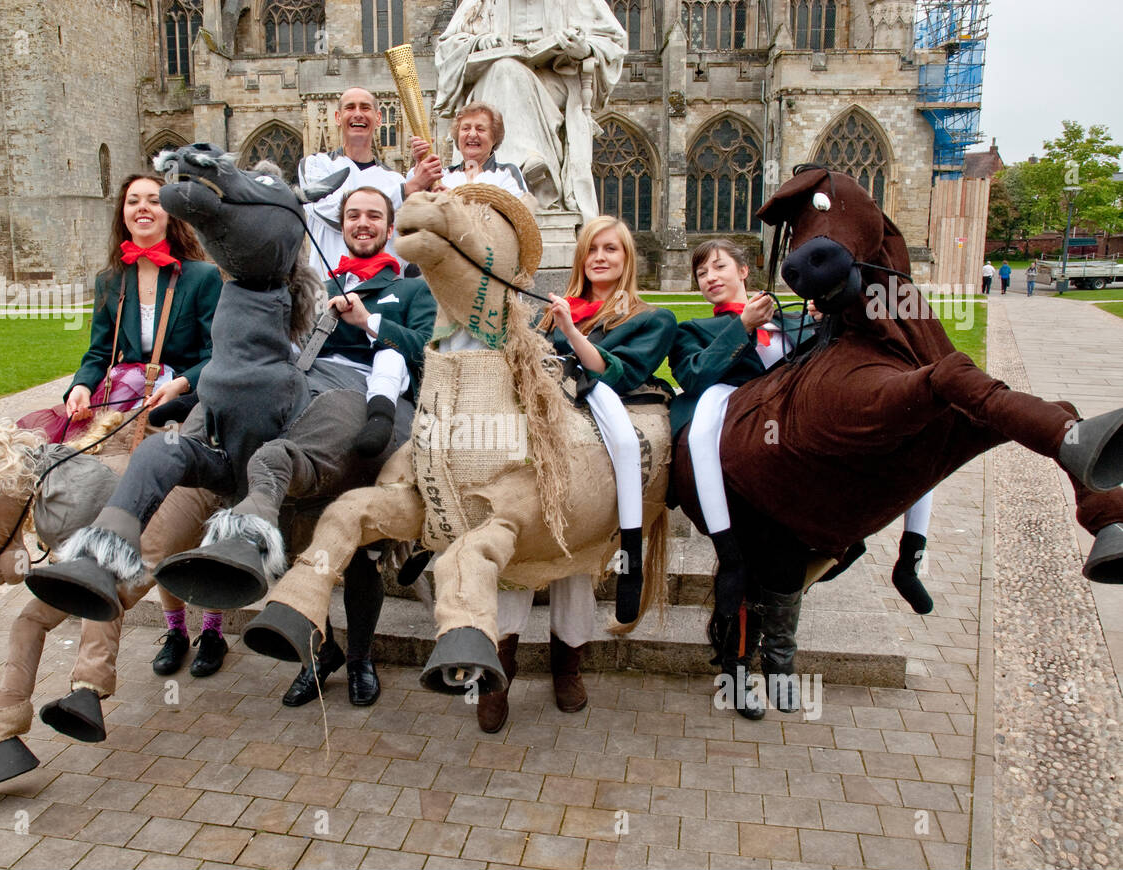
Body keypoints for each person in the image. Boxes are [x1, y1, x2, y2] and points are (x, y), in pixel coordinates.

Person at [668, 239, 934, 718]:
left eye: (719, 266)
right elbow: (696, 376)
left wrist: (826, 321)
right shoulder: (695, 329)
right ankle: (739, 669)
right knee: (751, 564)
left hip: (796, 461)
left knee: (797, 561)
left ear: (744, 270)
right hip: (739, 462)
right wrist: (740, 328)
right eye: (701, 271)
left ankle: (778, 660)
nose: (710, 276)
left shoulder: (793, 321)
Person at [477, 216, 676, 734]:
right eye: (592, 250)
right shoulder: (550, 313)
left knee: (572, 548)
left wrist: (567, 330)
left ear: (627, 259)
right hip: (538, 427)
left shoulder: (651, 317)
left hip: (593, 423)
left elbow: (618, 373)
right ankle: (499, 670)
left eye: (611, 249)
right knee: (520, 537)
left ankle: (569, 666)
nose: (601, 258)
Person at [63, 172, 230, 679]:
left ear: (169, 213)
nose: (143, 208)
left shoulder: (202, 276)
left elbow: (218, 354)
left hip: (186, 410)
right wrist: (81, 385)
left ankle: (215, 632)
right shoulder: (110, 280)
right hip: (130, 411)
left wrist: (181, 386)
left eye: (154, 201)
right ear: (123, 213)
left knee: (189, 523)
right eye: (133, 201)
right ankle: (176, 628)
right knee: (141, 520)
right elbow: (97, 351)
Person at [279, 185, 437, 708]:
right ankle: (320, 653)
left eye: (374, 215)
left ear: (389, 227)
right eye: (353, 215)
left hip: (384, 415)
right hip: (315, 412)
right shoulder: (318, 286)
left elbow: (424, 351)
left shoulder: (413, 289)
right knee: (299, 536)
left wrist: (368, 322)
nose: (363, 223)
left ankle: (362, 656)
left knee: (361, 547)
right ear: (341, 225)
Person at [433, 0, 626, 219]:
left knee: (507, 71)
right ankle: (527, 166)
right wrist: (479, 43)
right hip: (494, 77)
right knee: (506, 68)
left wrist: (584, 48)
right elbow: (446, 48)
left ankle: (511, 175)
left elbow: (614, 42)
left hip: (554, 80)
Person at [298, 87, 442, 278]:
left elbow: (407, 242)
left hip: (383, 294)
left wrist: (423, 187)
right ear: (338, 117)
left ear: (378, 118)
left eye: (365, 108)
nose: (358, 114)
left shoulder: (394, 179)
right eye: (350, 107)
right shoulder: (316, 165)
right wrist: (406, 190)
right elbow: (332, 213)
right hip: (332, 291)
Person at [405, 101, 528, 197]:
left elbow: (514, 214)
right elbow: (411, 206)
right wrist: (419, 166)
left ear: (494, 137)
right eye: (466, 128)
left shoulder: (507, 173)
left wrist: (456, 199)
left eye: (480, 129)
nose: (472, 134)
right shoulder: (442, 176)